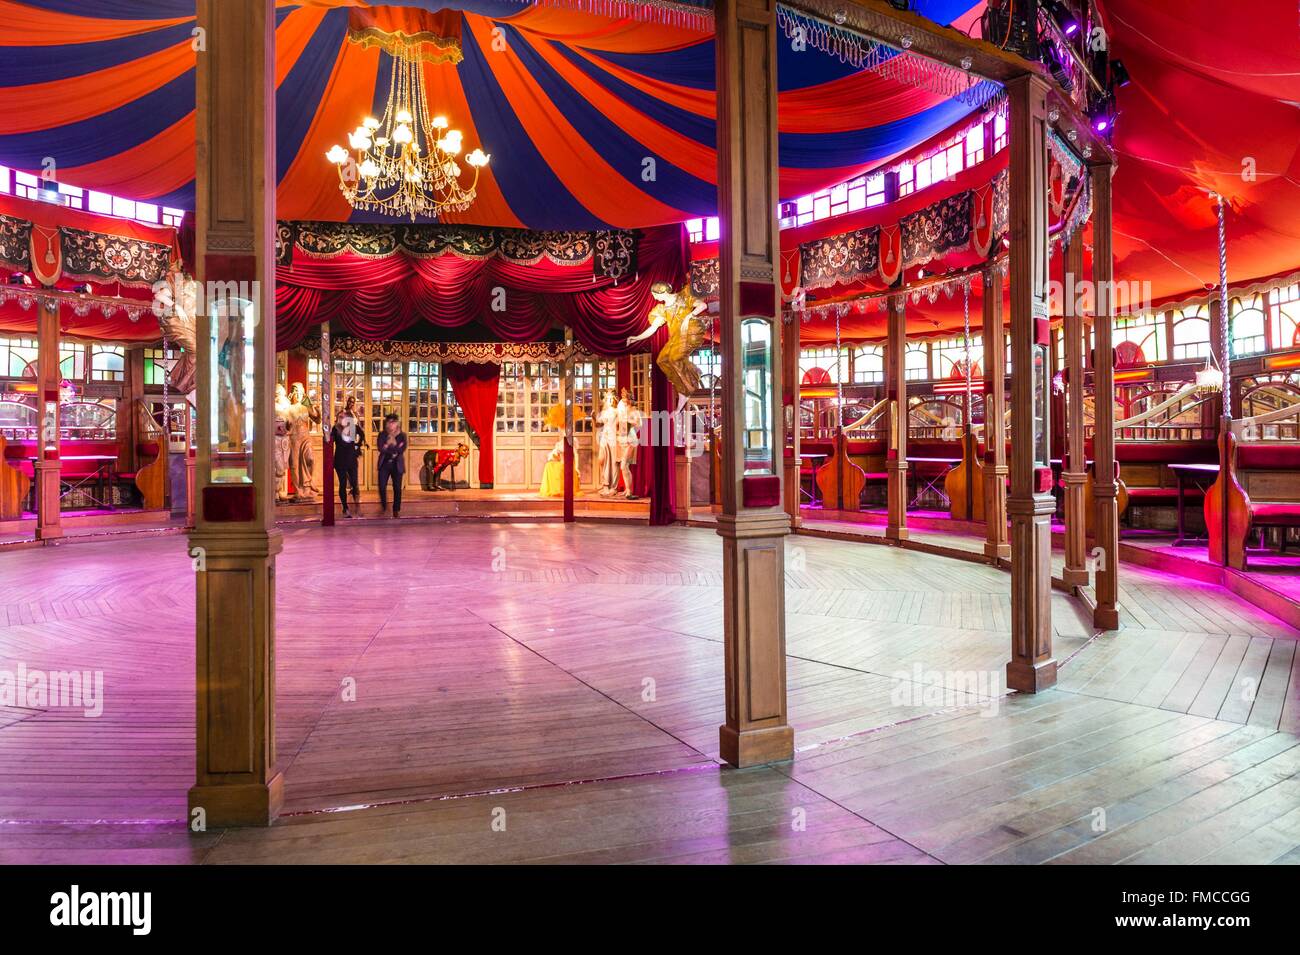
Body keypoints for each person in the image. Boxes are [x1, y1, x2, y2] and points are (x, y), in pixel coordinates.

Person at [330, 398, 364, 518]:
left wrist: (357, 446)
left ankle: (357, 506)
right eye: (341, 417)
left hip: (351, 459)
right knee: (343, 484)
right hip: (340, 460)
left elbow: (362, 433)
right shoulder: (335, 429)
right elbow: (329, 440)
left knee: (354, 483)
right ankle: (345, 508)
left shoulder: (352, 427)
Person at [376, 412, 407, 519]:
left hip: (397, 464)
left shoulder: (402, 435)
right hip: (384, 463)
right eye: (389, 422)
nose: (391, 425)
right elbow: (381, 448)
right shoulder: (382, 434)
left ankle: (396, 509)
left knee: (397, 488)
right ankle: (384, 506)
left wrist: (388, 446)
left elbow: (402, 449)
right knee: (381, 486)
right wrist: (394, 448)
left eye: (393, 422)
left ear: (397, 423)